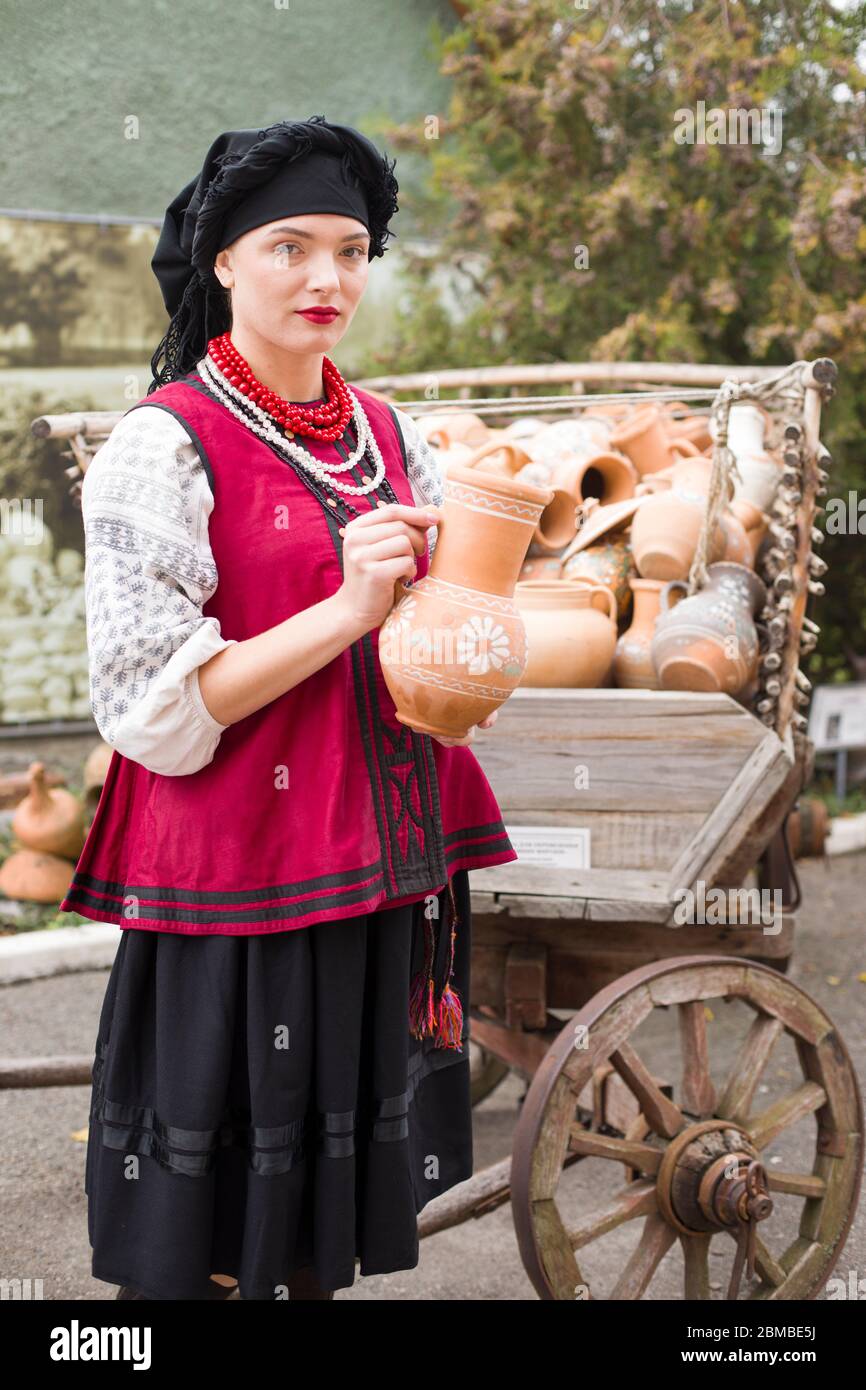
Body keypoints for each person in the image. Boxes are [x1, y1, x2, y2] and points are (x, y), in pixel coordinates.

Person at [60, 117, 518, 1301]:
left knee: (315, 1239)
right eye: (288, 247)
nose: (327, 279)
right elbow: (148, 714)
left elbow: (428, 646)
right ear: (221, 260)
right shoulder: (163, 449)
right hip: (239, 888)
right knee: (206, 1253)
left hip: (372, 867)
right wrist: (350, 610)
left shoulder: (388, 433)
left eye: (352, 250)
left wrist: (461, 641)